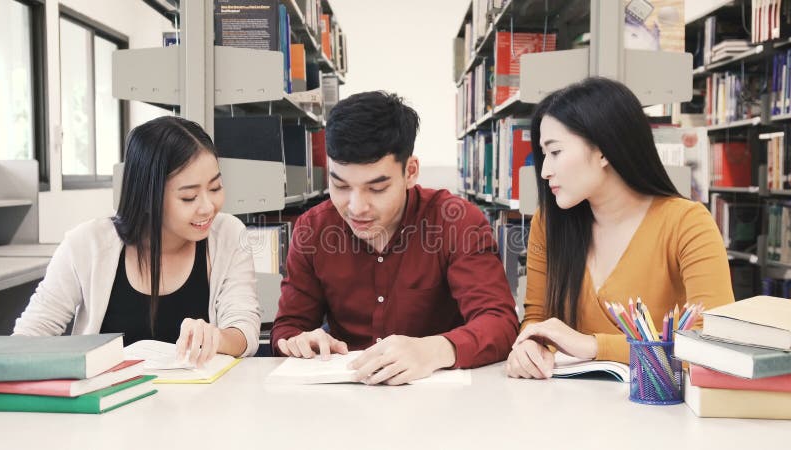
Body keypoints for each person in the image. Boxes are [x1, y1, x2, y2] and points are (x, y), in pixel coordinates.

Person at [271, 91, 519, 385]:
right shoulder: (313, 229)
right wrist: (299, 340)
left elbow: (500, 322)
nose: (356, 207)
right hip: (344, 399)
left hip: (440, 400)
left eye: (376, 189)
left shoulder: (457, 222)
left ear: (410, 171)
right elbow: (287, 328)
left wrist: (435, 350)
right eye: (340, 185)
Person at [506, 77, 735, 379]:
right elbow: (536, 318)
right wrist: (530, 347)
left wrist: (594, 346)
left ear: (603, 150)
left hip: (660, 413)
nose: (546, 170)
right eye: (543, 155)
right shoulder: (549, 223)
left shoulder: (687, 224)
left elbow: (711, 345)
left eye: (556, 152)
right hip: (565, 410)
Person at [14, 116, 262, 366]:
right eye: (189, 197)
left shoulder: (229, 234)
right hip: (107, 401)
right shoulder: (86, 244)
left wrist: (217, 338)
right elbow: (30, 335)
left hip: (204, 402)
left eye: (216, 188)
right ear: (147, 197)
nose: (208, 207)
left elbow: (245, 329)